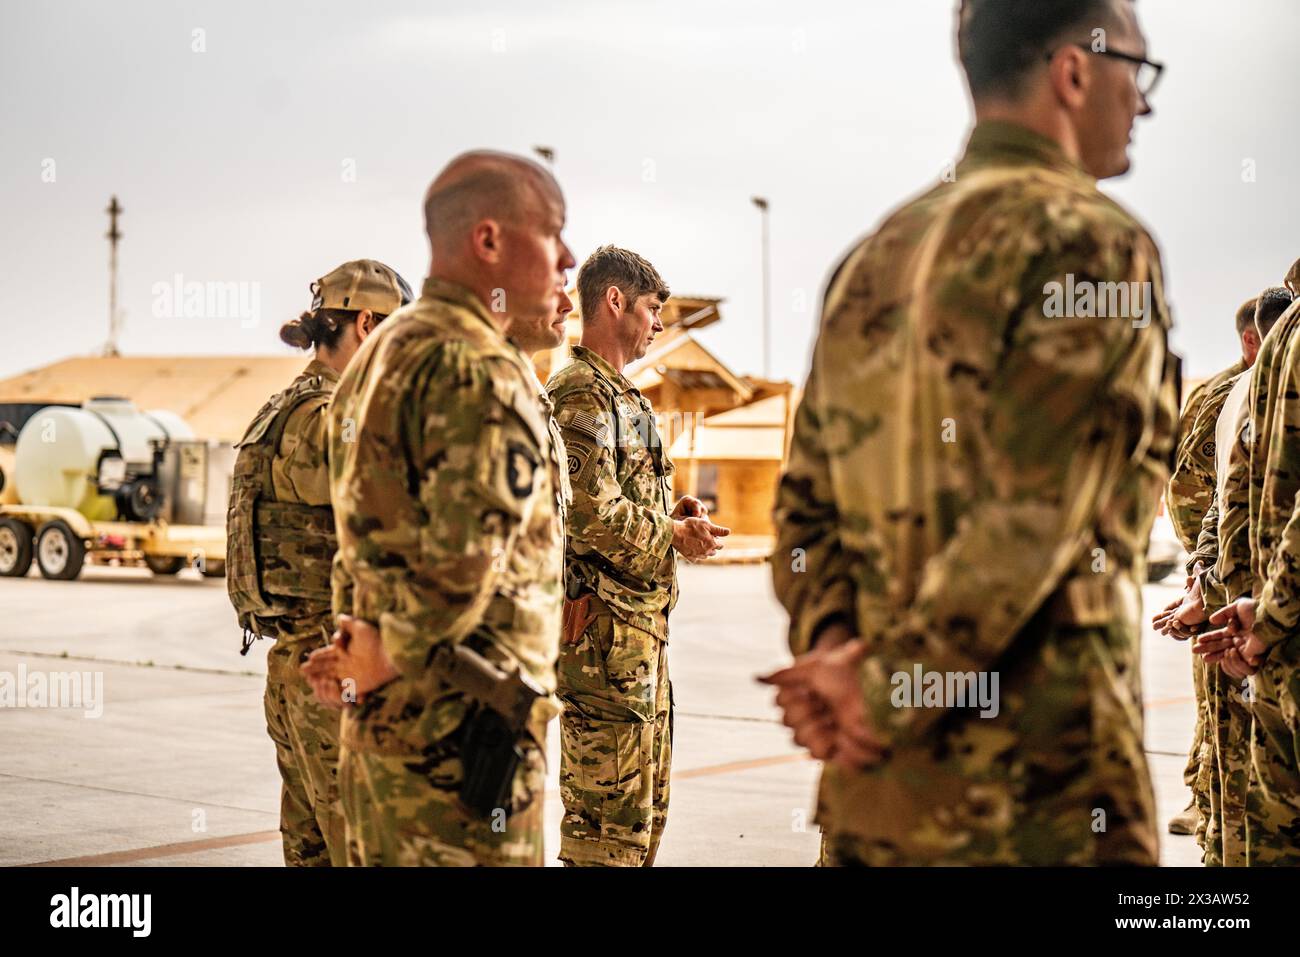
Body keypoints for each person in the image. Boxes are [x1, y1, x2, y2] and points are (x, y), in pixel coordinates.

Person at [764, 0, 1177, 865]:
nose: (1142, 100)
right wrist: (877, 690)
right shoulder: (1092, 244)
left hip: (877, 791)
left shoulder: (875, 256)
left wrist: (836, 664)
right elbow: (1033, 519)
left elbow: (804, 508)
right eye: (1136, 70)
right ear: (1073, 72)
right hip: (1038, 802)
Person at [300, 151, 574, 866]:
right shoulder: (479, 367)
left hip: (384, 738)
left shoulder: (380, 354)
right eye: (553, 233)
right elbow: (462, 560)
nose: (566, 257)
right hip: (458, 754)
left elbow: (356, 537)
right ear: (489, 241)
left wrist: (358, 652)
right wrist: (389, 651)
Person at [546, 245, 729, 866]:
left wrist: (675, 516)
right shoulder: (580, 396)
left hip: (638, 638)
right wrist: (672, 537)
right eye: (652, 309)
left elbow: (627, 502)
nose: (658, 323)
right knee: (605, 836)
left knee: (640, 827)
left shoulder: (626, 398)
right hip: (603, 642)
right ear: (615, 301)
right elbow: (590, 512)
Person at [225, 259, 411, 866]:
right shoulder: (333, 421)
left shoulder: (280, 409)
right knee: (362, 850)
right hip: (330, 672)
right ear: (365, 323)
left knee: (311, 854)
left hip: (291, 666)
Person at [1156, 286, 1294, 865]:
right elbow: (1209, 494)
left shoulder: (1260, 374)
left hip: (1249, 605)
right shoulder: (1240, 388)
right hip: (1251, 609)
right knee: (1242, 761)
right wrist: (1210, 583)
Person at [1196, 280, 1300, 865]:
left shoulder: (1281, 341)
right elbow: (1226, 491)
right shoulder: (1282, 345)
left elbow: (1234, 492)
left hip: (1261, 619)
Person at [1163, 295, 1258, 838]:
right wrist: (1211, 573)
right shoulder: (1234, 392)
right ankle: (1208, 800)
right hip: (1227, 574)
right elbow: (1190, 489)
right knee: (1220, 697)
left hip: (1231, 569)